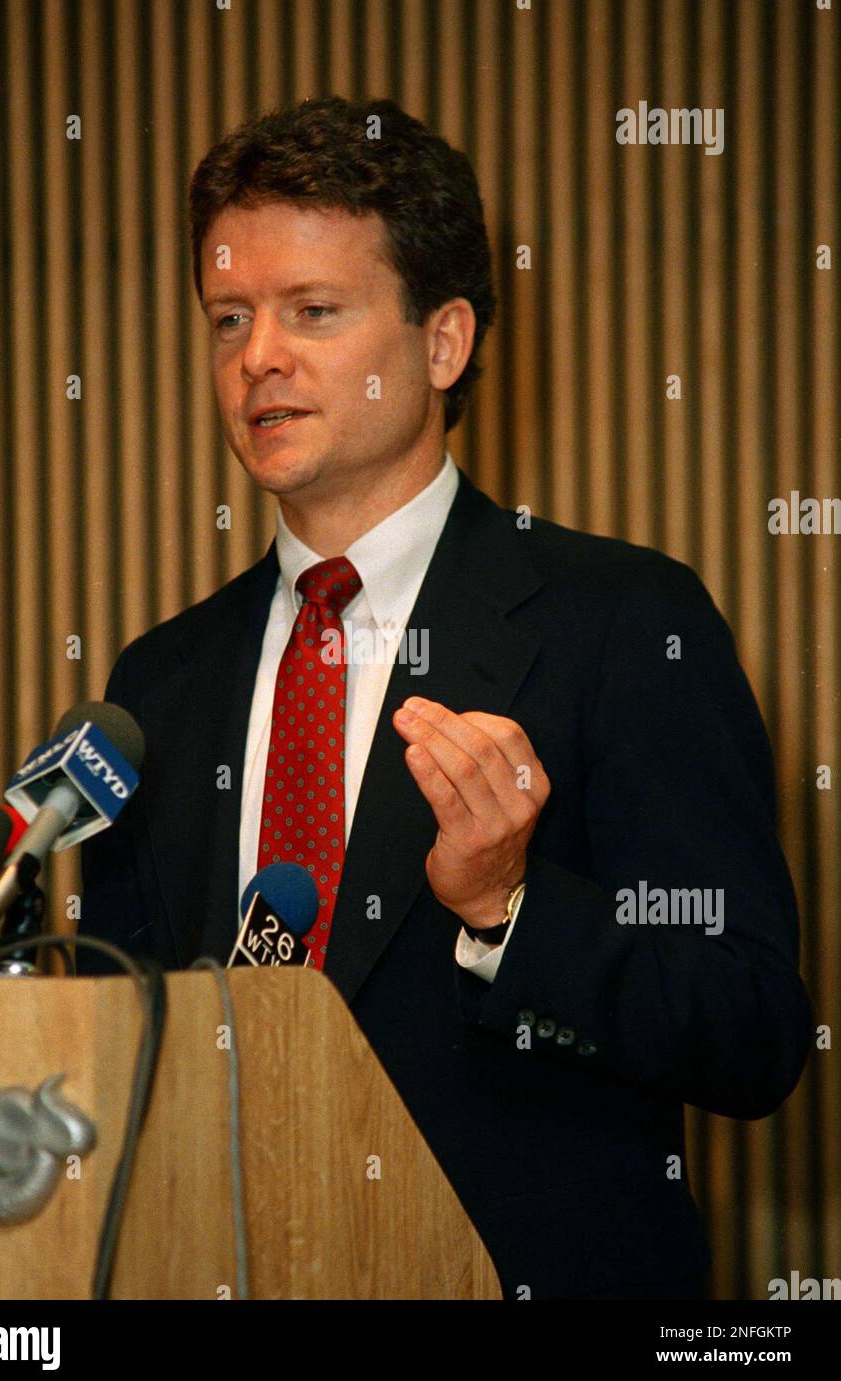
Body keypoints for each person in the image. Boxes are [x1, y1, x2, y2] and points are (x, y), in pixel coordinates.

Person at [78, 95, 812, 1300]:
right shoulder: (155, 683)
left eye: (311, 311)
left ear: (442, 343)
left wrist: (509, 911)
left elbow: (752, 1029)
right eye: (227, 318)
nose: (256, 354)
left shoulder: (621, 623)